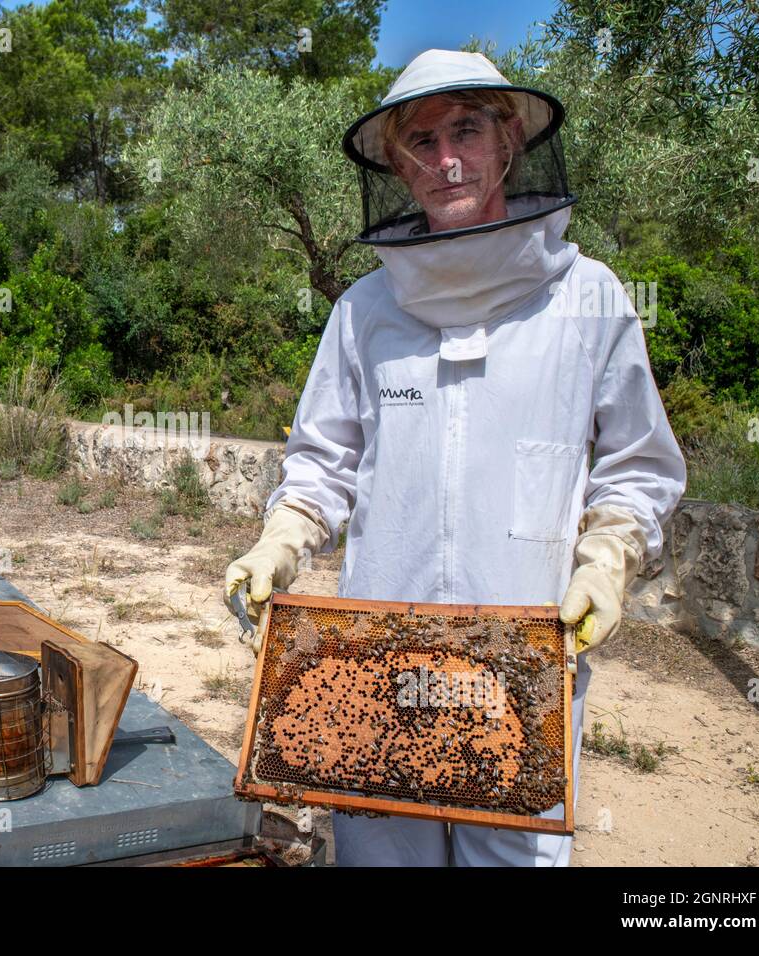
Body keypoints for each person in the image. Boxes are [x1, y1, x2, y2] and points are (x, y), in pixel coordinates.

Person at [222, 49, 687, 866]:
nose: (445, 160)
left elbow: (636, 467)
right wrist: (281, 540)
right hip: (376, 661)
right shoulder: (363, 313)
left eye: (465, 131)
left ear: (508, 141)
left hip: (523, 666)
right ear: (398, 168)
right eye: (422, 142)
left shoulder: (590, 300)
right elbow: (323, 464)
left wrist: (608, 558)